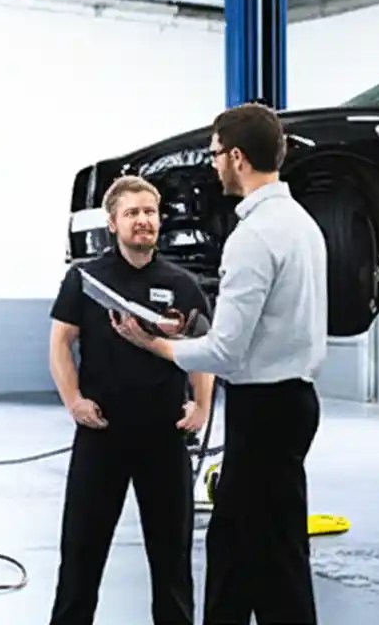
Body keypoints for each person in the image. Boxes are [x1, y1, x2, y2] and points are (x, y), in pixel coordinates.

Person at [109, 102, 328, 625]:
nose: (211, 165)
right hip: (294, 401)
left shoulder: (252, 236)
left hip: (264, 407)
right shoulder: (302, 225)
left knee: (271, 556)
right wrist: (191, 334)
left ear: (236, 156)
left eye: (213, 154)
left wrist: (156, 345)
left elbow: (226, 353)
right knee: (243, 543)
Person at [48, 174, 216, 625]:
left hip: (163, 439)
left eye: (149, 212)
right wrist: (74, 401)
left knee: (171, 561)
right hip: (101, 434)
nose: (143, 221)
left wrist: (201, 406)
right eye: (132, 213)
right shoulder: (85, 279)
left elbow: (203, 351)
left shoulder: (182, 284)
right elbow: (60, 343)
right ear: (112, 222)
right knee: (81, 556)